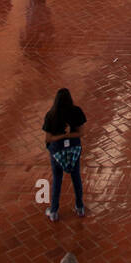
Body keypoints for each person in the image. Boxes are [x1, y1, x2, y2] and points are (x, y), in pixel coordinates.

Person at [43, 88, 86, 221]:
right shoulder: (76, 112)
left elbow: (48, 138)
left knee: (57, 179)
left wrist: (60, 136)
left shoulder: (51, 115)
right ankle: (80, 207)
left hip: (57, 151)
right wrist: (68, 135)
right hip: (73, 150)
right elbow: (80, 133)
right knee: (76, 177)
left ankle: (54, 211)